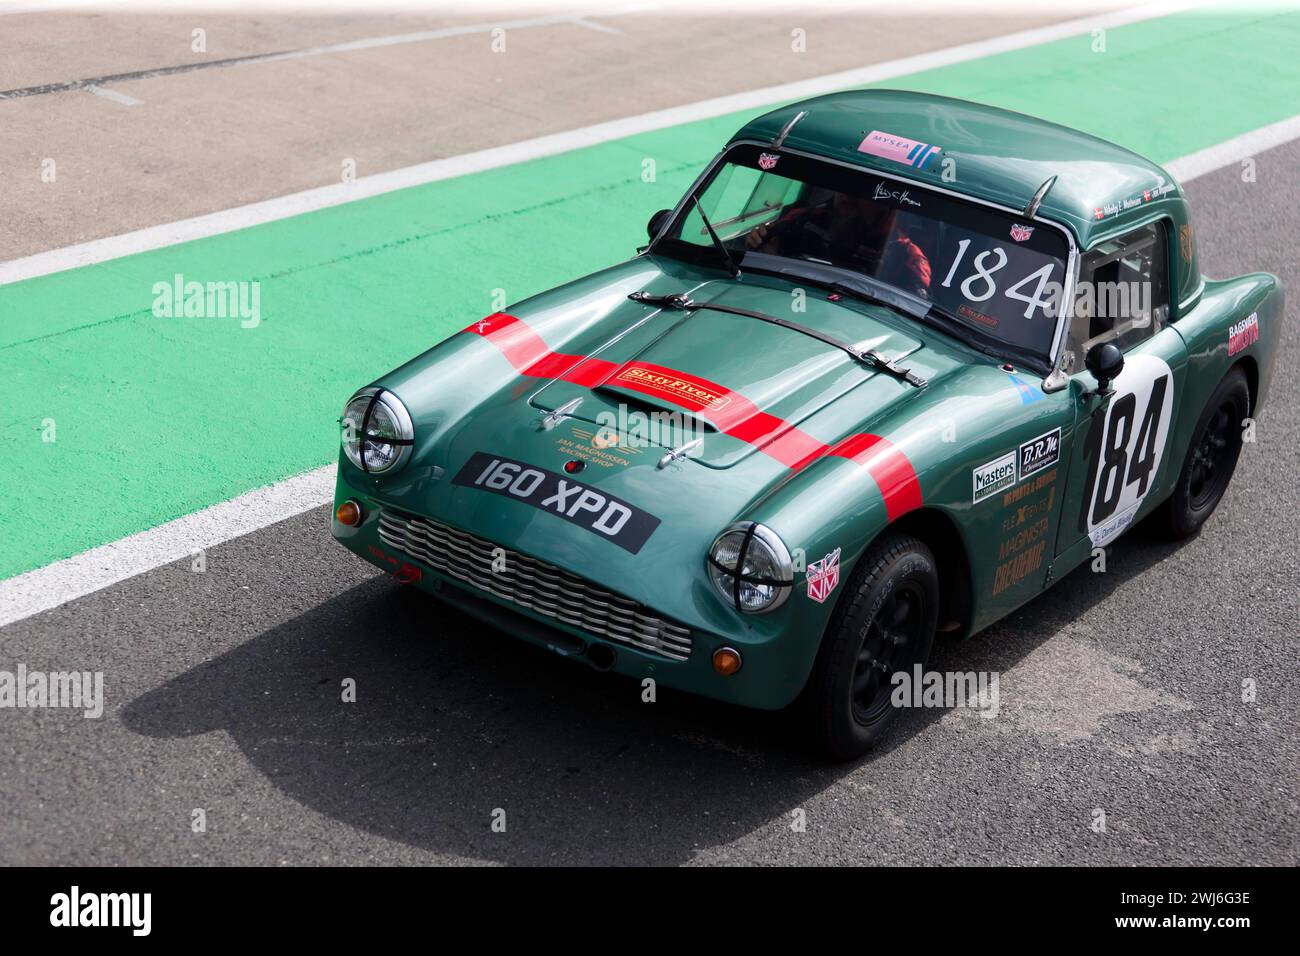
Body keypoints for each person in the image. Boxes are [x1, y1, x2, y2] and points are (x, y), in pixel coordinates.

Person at [744, 190, 931, 295]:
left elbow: (910, 315)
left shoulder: (907, 255)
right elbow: (754, 255)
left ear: (887, 206)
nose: (847, 196)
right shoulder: (803, 219)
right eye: (845, 188)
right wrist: (758, 244)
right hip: (784, 296)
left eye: (863, 194)